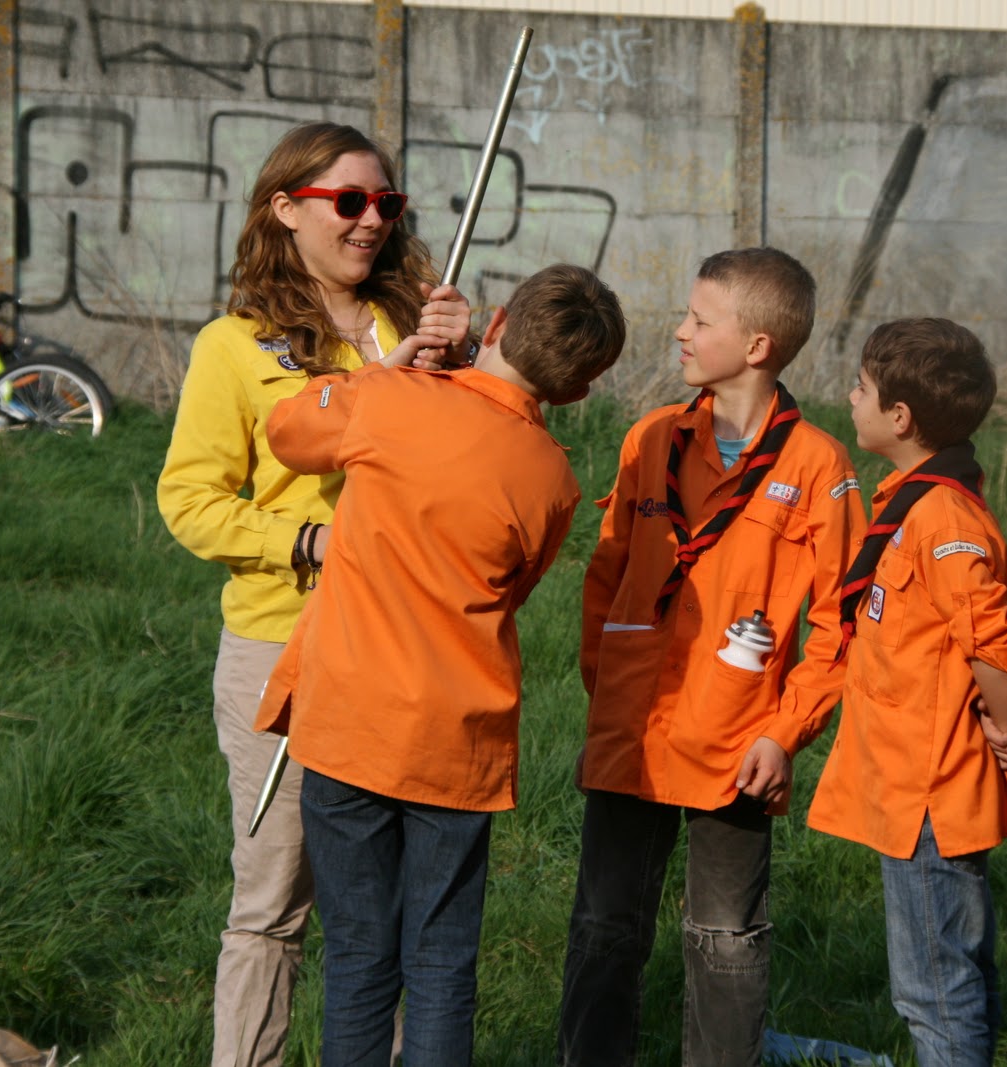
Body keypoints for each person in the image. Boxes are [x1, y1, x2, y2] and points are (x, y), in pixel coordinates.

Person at [254, 263, 627, 1066]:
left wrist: (389, 371)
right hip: (458, 743)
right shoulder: (554, 478)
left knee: (357, 957)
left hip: (349, 724)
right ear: (579, 390)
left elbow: (289, 431)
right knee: (442, 961)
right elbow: (515, 588)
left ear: (491, 324)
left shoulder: (390, 402)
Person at [157, 121, 470, 1067]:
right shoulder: (231, 345)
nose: (371, 220)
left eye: (387, 203)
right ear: (286, 209)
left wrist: (468, 369)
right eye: (348, 201)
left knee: (408, 907)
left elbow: (481, 469)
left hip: (407, 652)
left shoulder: (415, 329)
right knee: (272, 901)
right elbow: (190, 499)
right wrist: (306, 540)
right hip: (283, 654)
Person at [557, 247, 866, 1067]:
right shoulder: (651, 439)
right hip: (631, 727)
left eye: (700, 319)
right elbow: (606, 577)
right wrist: (607, 688)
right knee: (603, 924)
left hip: (738, 739)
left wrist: (786, 731)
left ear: (757, 344)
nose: (681, 331)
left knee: (726, 935)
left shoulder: (817, 466)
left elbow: (841, 626)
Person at [804, 317, 1007, 1067]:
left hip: (930, 791)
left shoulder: (943, 515)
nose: (851, 397)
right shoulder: (909, 498)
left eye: (861, 388)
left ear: (900, 417)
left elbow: (993, 639)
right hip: (905, 777)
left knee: (934, 987)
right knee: (954, 968)